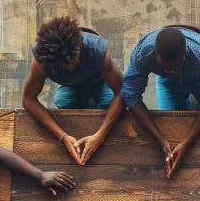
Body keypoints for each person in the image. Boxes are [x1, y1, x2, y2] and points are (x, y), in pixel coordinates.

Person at [122, 26, 200, 178]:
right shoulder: (144, 52)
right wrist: (160, 139)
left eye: (174, 67)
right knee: (171, 129)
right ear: (155, 53)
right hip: (169, 84)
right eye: (164, 67)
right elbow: (130, 94)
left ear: (184, 54)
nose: (170, 71)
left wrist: (188, 142)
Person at [23, 16, 125, 165]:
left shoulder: (97, 51)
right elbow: (28, 99)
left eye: (73, 59)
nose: (70, 66)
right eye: (64, 64)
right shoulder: (41, 60)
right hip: (71, 86)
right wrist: (63, 136)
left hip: (99, 82)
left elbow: (122, 92)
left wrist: (100, 136)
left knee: (109, 106)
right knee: (62, 103)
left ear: (79, 46)